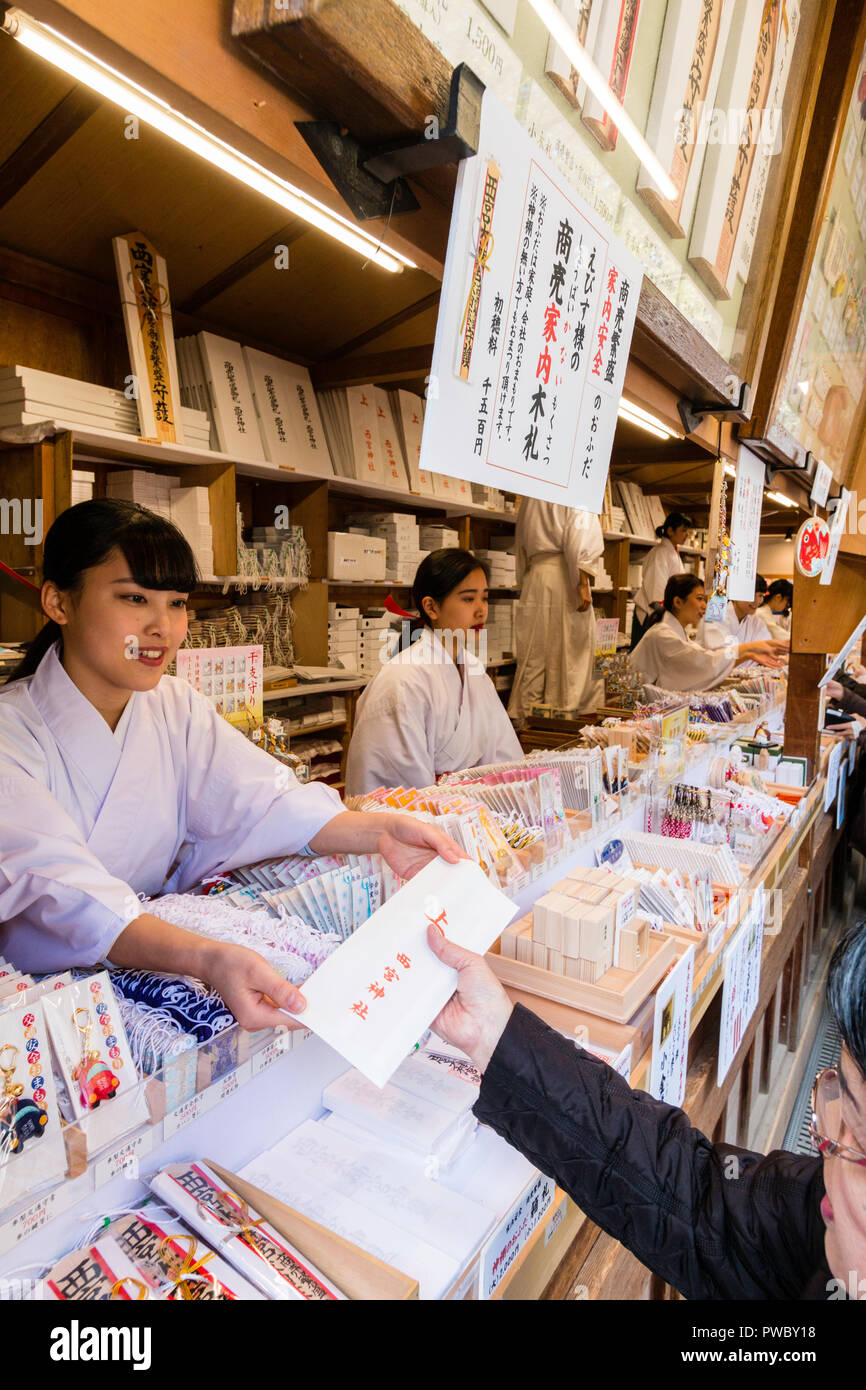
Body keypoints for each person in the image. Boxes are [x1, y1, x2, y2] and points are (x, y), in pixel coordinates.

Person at [0, 501, 463, 1030]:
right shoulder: (11, 734)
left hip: (158, 981)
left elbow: (263, 802)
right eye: (134, 598)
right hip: (45, 1007)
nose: (163, 627)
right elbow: (61, 889)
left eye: (176, 603)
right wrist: (204, 955)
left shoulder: (175, 706)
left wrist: (382, 830)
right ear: (59, 602)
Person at [396, 916, 866, 1300]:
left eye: (859, 1138)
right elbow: (692, 1197)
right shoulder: (816, 1214)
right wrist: (497, 1039)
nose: (827, 1154)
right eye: (838, 1106)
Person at [345, 548, 522, 795]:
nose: (482, 610)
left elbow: (505, 760)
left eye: (485, 598)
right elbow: (401, 793)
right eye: (469, 599)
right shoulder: (403, 681)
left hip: (474, 815)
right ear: (431, 607)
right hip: (425, 821)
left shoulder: (475, 672)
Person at [507, 499, 605, 723]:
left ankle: (526, 719)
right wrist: (582, 583)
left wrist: (525, 580)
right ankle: (561, 720)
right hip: (564, 575)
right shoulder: (577, 488)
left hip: (535, 575)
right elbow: (578, 539)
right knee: (568, 652)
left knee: (534, 651)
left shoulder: (532, 495)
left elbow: (520, 539)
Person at [628, 574, 787, 692]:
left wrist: (748, 653)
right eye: (699, 598)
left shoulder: (676, 633)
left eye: (704, 599)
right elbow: (704, 662)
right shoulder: (662, 635)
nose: (704, 605)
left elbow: (704, 658)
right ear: (678, 602)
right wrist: (748, 649)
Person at [630, 511, 692, 650]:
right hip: (651, 612)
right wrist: (666, 615)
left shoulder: (672, 552)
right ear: (670, 531)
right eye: (683, 530)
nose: (686, 535)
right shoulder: (660, 552)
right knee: (644, 659)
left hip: (666, 613)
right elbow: (656, 588)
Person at [695, 574, 778, 651]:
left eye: (760, 595)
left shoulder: (756, 622)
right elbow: (722, 655)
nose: (756, 601)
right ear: (735, 593)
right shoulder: (715, 615)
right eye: (751, 595)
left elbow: (766, 650)